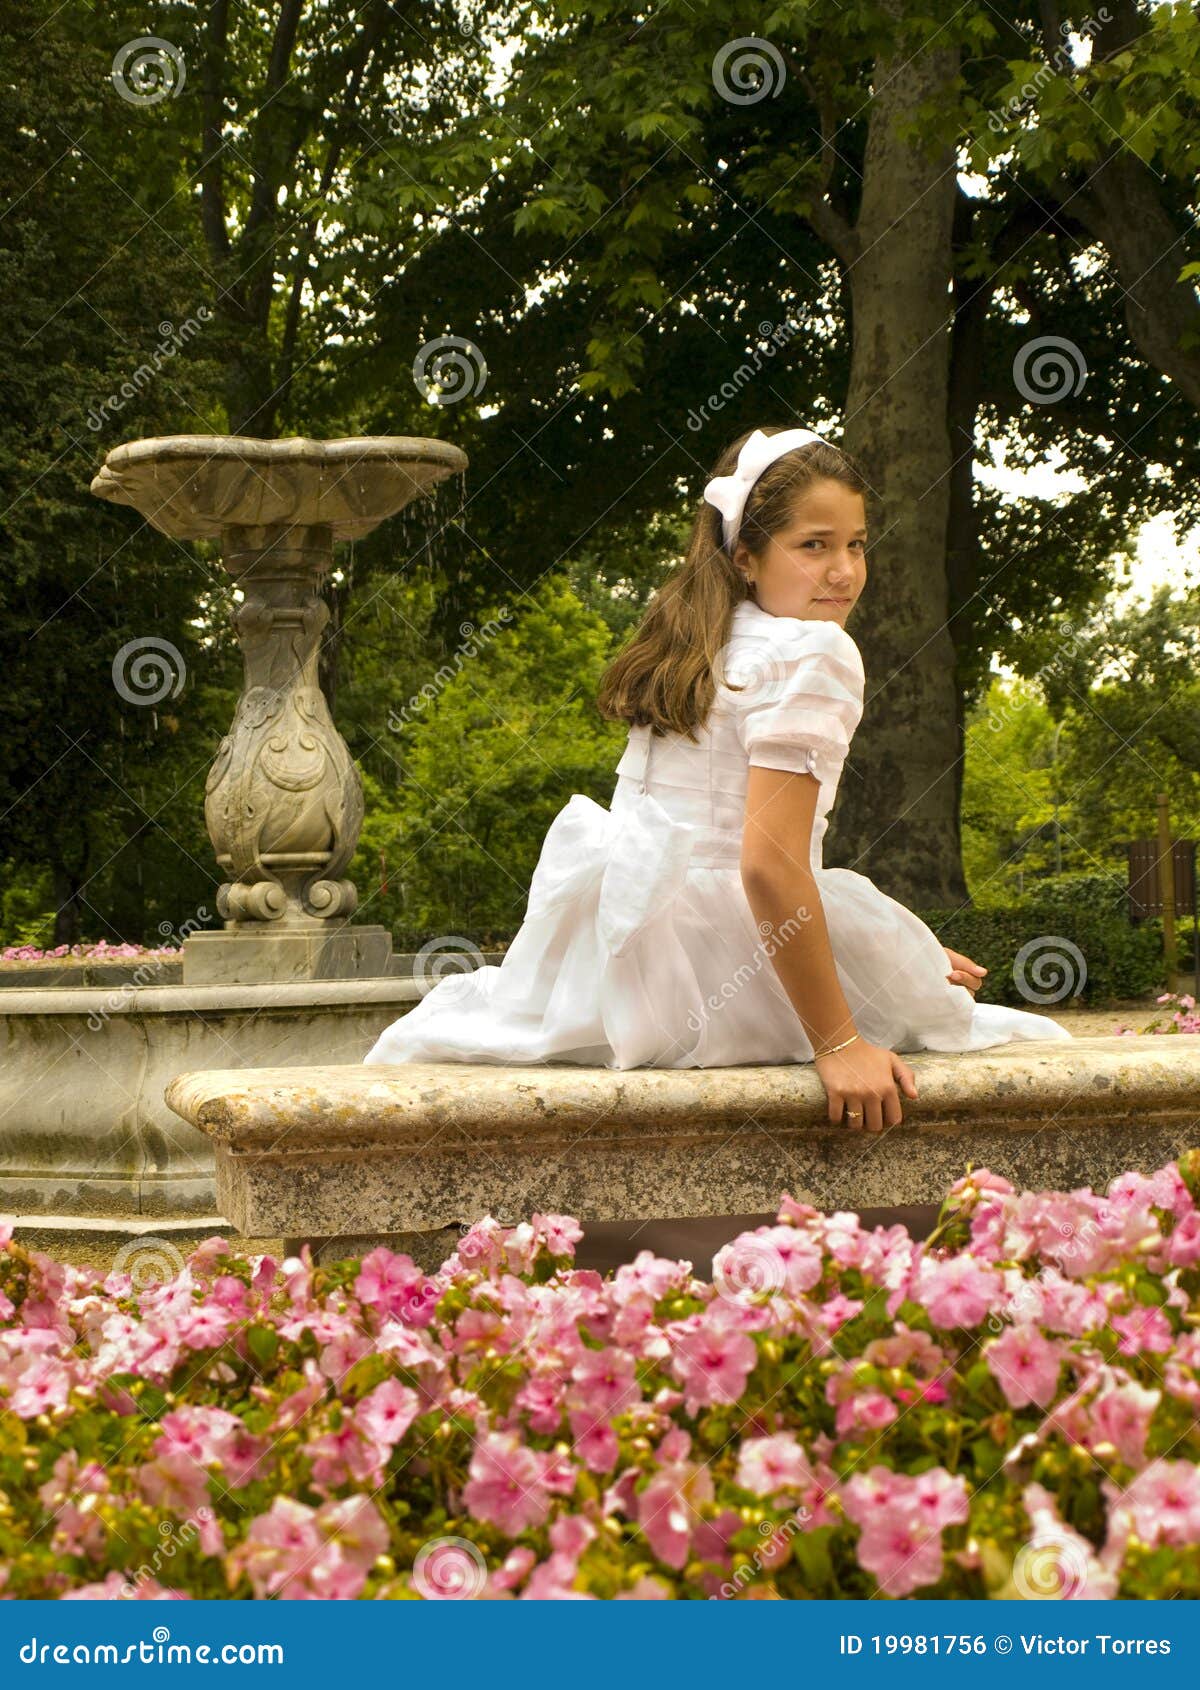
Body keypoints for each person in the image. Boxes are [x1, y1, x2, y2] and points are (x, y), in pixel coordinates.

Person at [364, 423, 1071, 1146]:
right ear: (746, 556)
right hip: (717, 957)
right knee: (1026, 1059)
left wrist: (888, 954)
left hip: (610, 953)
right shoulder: (817, 650)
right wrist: (838, 1042)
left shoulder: (700, 639)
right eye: (814, 545)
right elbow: (766, 866)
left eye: (856, 544)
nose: (844, 571)